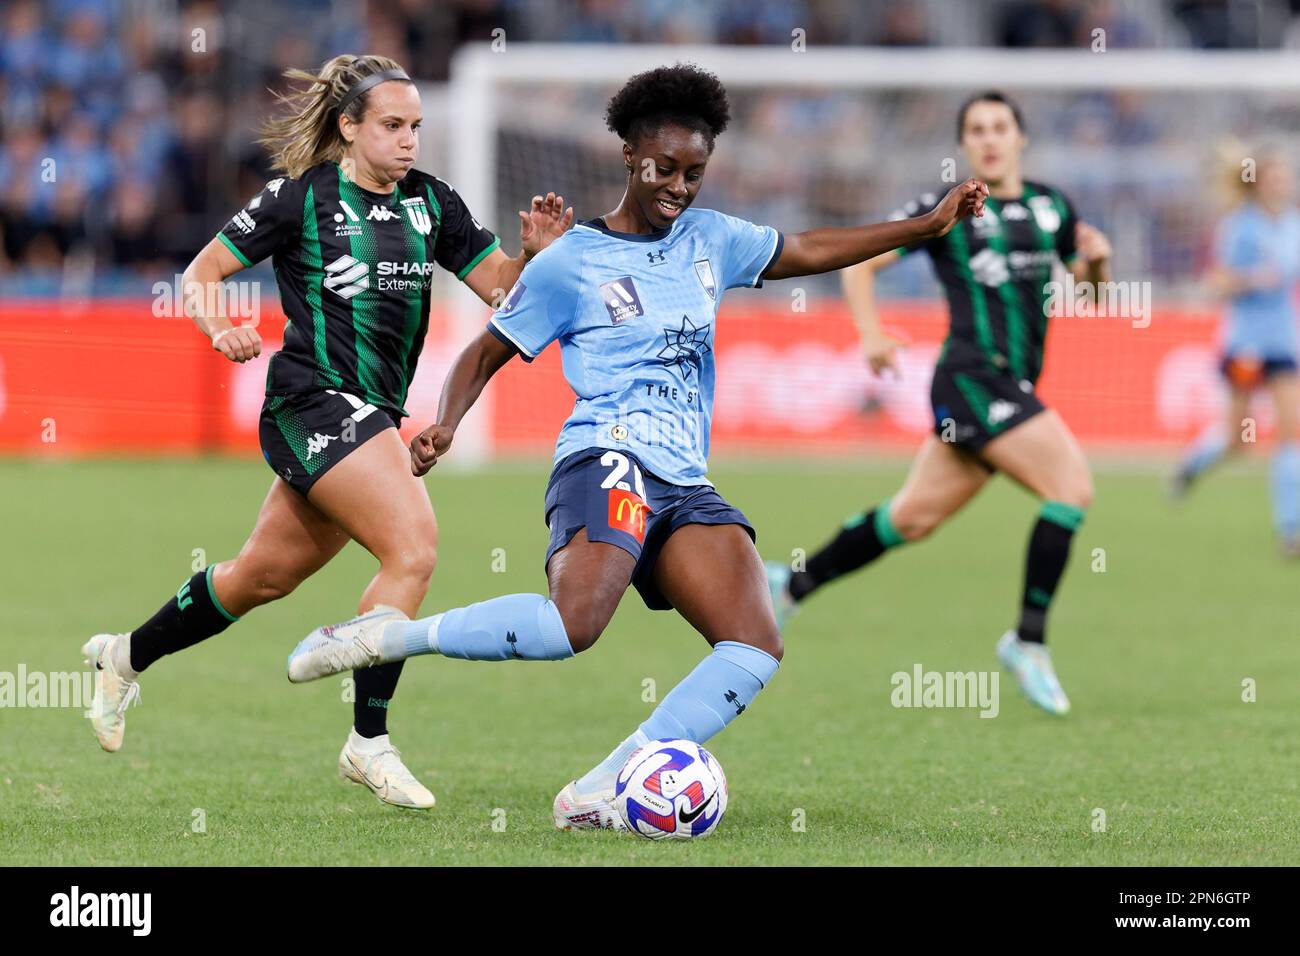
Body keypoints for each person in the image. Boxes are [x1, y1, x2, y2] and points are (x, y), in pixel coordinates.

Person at [284, 63, 987, 830]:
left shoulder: (714, 240)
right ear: (628, 156)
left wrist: (924, 227)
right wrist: (447, 422)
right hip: (605, 456)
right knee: (574, 627)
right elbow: (485, 351)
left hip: (683, 481)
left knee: (755, 645)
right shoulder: (572, 260)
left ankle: (603, 786)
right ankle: (387, 637)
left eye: (694, 172)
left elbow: (812, 246)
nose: (679, 187)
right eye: (664, 168)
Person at [81, 54, 571, 808]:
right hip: (310, 402)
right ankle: (368, 742)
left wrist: (531, 255)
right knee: (413, 547)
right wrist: (219, 328)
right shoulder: (300, 199)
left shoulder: (432, 203)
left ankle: (123, 657)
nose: (409, 141)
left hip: (372, 416)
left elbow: (500, 289)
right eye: (392, 126)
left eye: (415, 127)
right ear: (349, 126)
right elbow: (200, 275)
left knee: (259, 577)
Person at [767, 91, 1111, 716]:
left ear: (1020, 137)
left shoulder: (1053, 205)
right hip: (972, 380)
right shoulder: (948, 208)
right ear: (964, 144)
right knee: (1071, 489)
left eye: (1000, 126)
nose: (989, 138)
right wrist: (870, 334)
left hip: (1010, 388)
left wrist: (1099, 264)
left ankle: (791, 583)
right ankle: (1028, 640)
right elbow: (859, 265)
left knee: (911, 518)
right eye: (976, 129)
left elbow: (1090, 296)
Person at [1171, 145, 1300, 557]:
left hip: (1282, 341)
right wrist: (1254, 279)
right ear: (1258, 183)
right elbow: (1219, 281)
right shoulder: (1240, 226)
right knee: (1238, 439)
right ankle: (1191, 465)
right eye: (1275, 177)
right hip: (1246, 343)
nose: (1283, 184)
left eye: (1286, 177)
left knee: (1292, 433)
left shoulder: (1293, 225)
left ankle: (1290, 529)